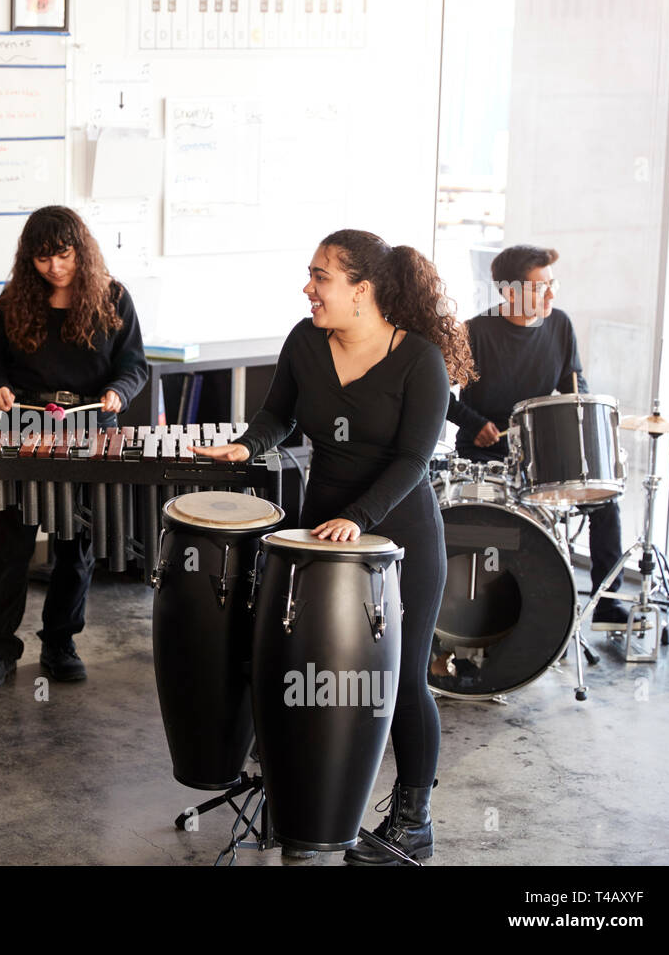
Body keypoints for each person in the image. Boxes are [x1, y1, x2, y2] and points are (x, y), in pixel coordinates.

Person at [193, 229, 476, 864]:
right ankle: (307, 801)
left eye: (321, 276)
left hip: (399, 535)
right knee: (315, 672)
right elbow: (278, 414)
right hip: (320, 531)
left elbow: (412, 460)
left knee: (399, 683)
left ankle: (412, 821)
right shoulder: (305, 340)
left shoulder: (420, 359)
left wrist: (357, 517)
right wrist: (248, 445)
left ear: (361, 290)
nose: (308, 288)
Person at [0, 206, 148, 689]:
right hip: (25, 428)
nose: (53, 267)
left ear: (81, 251)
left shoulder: (113, 298)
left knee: (76, 548)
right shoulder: (15, 301)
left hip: (90, 427)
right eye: (42, 258)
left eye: (63, 256)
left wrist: (119, 393)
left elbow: (135, 366)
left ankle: (59, 643)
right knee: (9, 548)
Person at [446, 244, 628, 629]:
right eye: (540, 286)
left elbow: (573, 384)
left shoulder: (559, 324)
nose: (551, 294)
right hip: (485, 457)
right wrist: (473, 422)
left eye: (553, 284)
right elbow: (436, 393)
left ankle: (607, 607)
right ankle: (487, 612)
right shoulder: (474, 332)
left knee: (605, 504)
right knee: (502, 525)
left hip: (540, 455)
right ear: (510, 292)